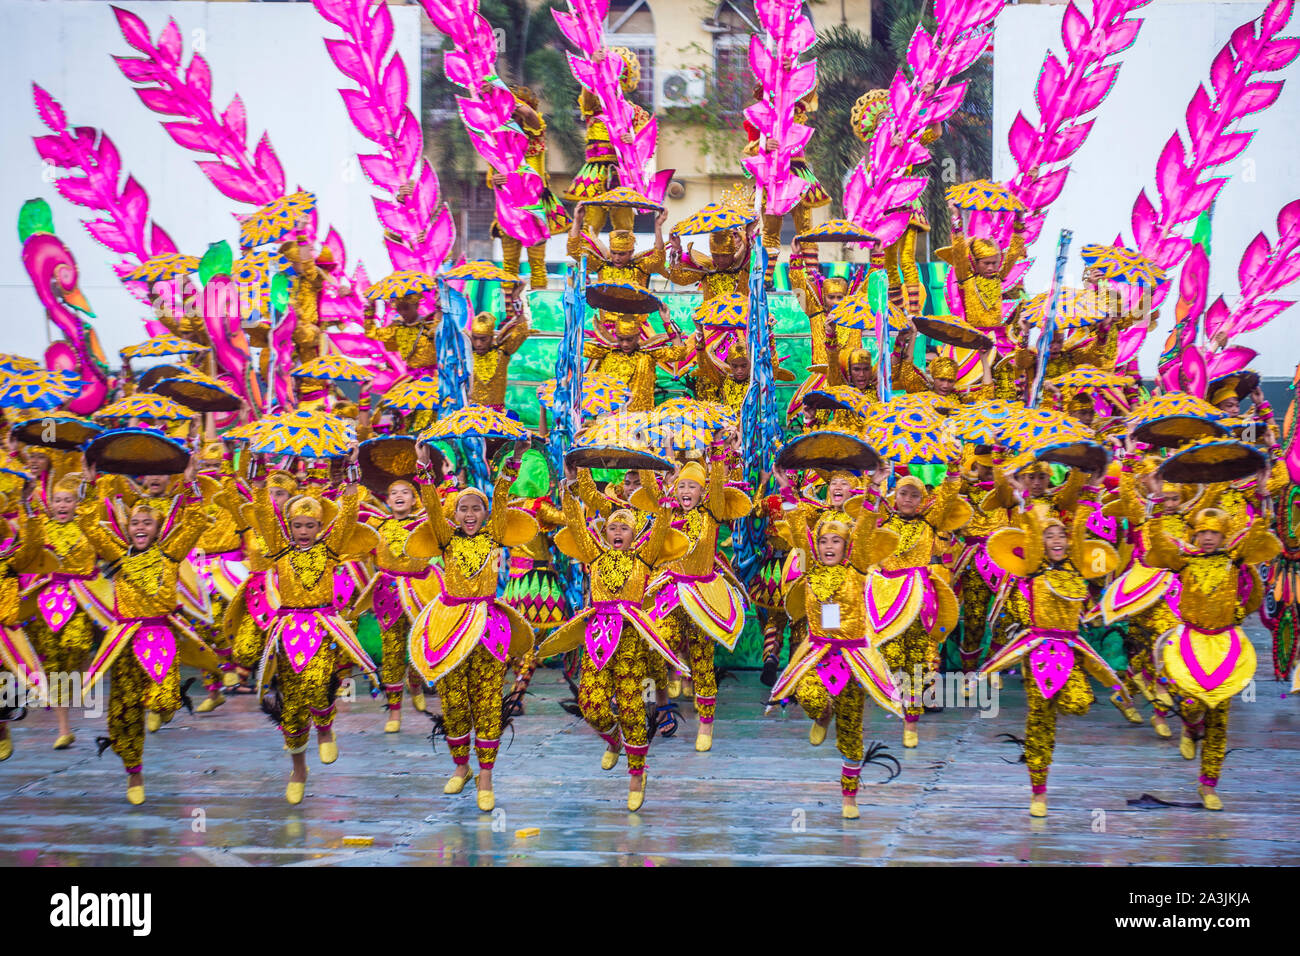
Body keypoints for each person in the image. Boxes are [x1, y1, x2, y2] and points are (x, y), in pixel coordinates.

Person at [407, 442, 535, 811]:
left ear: (486, 514)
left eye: (476, 508)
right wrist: (423, 464)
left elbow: (502, 492)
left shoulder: (494, 536)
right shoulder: (445, 539)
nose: (469, 513)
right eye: (463, 507)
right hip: (448, 626)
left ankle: (486, 776)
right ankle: (460, 768)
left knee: (487, 703)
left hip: (490, 629)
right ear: (454, 513)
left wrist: (516, 458)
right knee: (455, 703)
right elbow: (431, 504)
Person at [79, 457, 215, 804]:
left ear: (157, 529)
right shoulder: (118, 557)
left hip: (159, 636)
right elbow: (88, 523)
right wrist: (87, 484)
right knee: (123, 714)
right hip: (124, 640)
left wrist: (190, 481)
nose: (140, 527)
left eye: (147, 523)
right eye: (135, 523)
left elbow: (196, 520)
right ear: (128, 529)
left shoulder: (170, 554)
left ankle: (163, 706)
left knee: (166, 698)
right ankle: (134, 771)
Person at [542, 484, 685, 810]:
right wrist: (570, 489)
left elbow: (661, 528)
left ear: (635, 534)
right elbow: (577, 527)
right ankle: (614, 740)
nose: (618, 531)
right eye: (613, 527)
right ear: (605, 533)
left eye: (625, 528)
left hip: (631, 642)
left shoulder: (644, 559)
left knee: (633, 708)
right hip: (597, 641)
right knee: (590, 704)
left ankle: (637, 775)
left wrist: (663, 498)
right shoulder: (595, 556)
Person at [248, 452, 380, 805]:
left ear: (319, 528)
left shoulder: (330, 549)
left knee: (320, 683)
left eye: (310, 526)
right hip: (287, 630)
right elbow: (263, 514)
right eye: (297, 526)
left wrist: (351, 480)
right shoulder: (279, 551)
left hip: (322, 626)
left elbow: (348, 517)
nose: (304, 532)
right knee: (290, 703)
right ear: (288, 528)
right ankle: (298, 769)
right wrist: (259, 479)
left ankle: (325, 726)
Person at [979, 503, 1125, 816]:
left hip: (1071, 649)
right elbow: (1031, 545)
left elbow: (1082, 535)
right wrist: (1028, 506)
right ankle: (1038, 790)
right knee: (1040, 721)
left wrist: (1086, 496)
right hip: (1037, 651)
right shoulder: (1032, 571)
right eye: (1049, 536)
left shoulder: (1077, 571)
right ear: (1040, 543)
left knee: (1079, 703)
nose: (1057, 540)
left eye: (1062, 535)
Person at [1144, 505, 1280, 809]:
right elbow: (1158, 544)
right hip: (1190, 641)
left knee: (1219, 717)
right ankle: (1191, 727)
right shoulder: (1184, 560)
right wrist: (1153, 511)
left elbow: (1257, 533)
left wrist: (1263, 501)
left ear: (1224, 535)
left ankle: (1208, 785)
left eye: (1214, 532)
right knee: (1191, 703)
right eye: (1202, 531)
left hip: (1225, 645)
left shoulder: (1235, 560)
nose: (1207, 537)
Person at [769, 507, 901, 818]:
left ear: (847, 546)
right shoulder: (809, 568)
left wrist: (874, 491)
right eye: (824, 541)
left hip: (853, 659)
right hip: (818, 655)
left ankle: (849, 797)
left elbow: (866, 527)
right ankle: (822, 714)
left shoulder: (857, 569)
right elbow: (799, 529)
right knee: (808, 694)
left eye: (836, 541)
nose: (829, 547)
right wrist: (789, 495)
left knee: (851, 733)